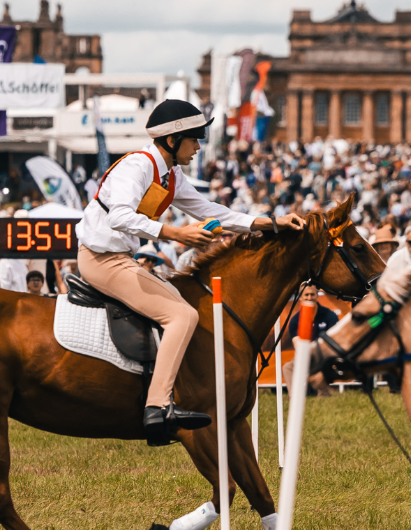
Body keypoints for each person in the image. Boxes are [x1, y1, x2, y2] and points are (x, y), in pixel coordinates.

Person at [74, 99, 306, 445]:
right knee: (181, 316)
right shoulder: (136, 167)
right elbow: (118, 216)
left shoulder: (170, 173)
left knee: (186, 308)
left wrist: (271, 223)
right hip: (101, 260)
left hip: (119, 258)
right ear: (171, 140)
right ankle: (156, 408)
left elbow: (210, 210)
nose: (199, 147)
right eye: (194, 139)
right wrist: (176, 233)